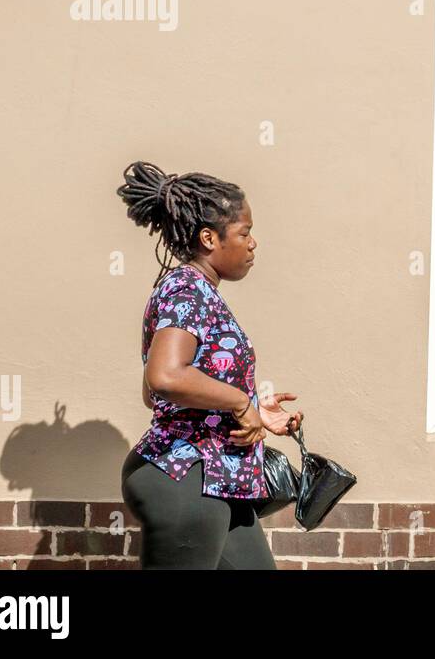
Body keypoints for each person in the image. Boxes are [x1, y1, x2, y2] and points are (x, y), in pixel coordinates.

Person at [115, 161, 303, 569]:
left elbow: (157, 394)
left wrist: (254, 409)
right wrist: (238, 401)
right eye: (245, 232)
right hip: (186, 478)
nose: (253, 244)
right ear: (209, 238)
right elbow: (163, 378)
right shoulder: (186, 289)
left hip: (219, 478)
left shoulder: (196, 291)